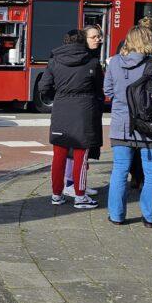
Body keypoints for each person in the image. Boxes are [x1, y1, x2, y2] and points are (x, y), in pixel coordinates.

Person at [104, 26, 152, 227]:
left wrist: (123, 101)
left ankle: (116, 215)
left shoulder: (114, 62)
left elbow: (107, 90)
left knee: (120, 170)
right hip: (151, 126)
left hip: (122, 125)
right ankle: (150, 217)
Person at [37, 29, 101, 209]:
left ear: (65, 42)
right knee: (81, 154)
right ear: (82, 42)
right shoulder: (92, 62)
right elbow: (99, 88)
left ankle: (56, 194)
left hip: (61, 110)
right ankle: (80, 196)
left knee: (59, 155)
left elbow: (44, 88)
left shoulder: (54, 61)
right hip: (84, 111)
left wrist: (58, 95)